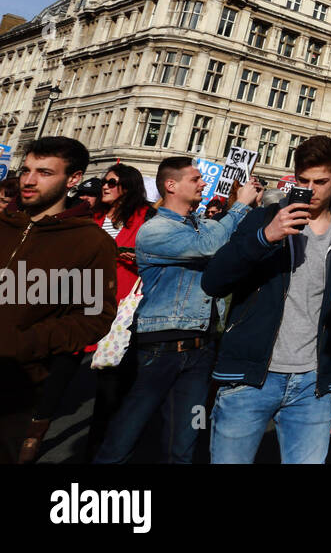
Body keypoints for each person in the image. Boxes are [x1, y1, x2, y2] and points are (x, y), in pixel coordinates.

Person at [201, 136, 331, 464]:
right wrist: (264, 238)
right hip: (250, 377)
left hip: (312, 385)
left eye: (321, 182)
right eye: (303, 180)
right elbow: (213, 281)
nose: (311, 189)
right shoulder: (263, 219)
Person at [93, 158, 260, 464]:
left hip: (201, 349)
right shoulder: (155, 229)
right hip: (158, 349)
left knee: (185, 438)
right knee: (124, 435)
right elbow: (210, 246)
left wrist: (248, 206)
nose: (203, 183)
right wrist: (238, 208)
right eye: (195, 179)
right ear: (171, 185)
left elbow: (233, 240)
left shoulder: (201, 224)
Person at [0, 137, 117, 464]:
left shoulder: (90, 242)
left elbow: (94, 318)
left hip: (14, 384)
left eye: (44, 172)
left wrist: (24, 343)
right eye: (26, 170)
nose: (29, 180)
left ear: (73, 179)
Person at [83, 164, 156, 461]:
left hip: (120, 305)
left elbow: (154, 260)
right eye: (104, 181)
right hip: (82, 302)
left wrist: (134, 256)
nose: (105, 186)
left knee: (109, 388)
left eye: (112, 182)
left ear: (127, 186)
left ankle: (99, 450)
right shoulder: (93, 216)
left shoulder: (145, 218)